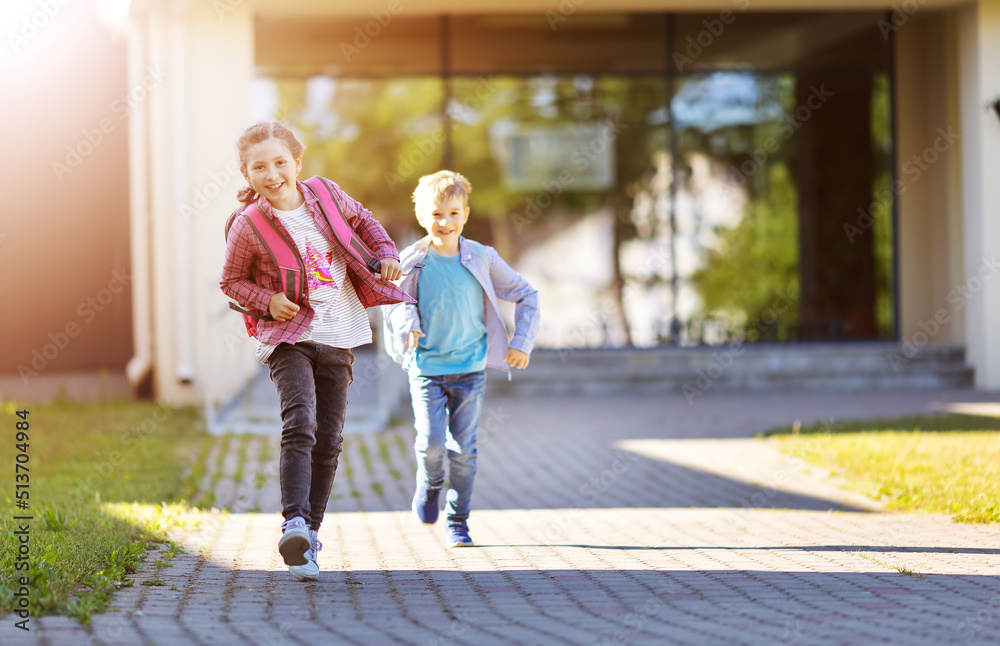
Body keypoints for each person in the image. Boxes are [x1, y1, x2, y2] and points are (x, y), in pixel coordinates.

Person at [220, 121, 413, 580]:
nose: (272, 173)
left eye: (280, 162)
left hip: (340, 333)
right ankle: (294, 520)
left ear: (298, 163)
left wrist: (385, 251)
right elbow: (231, 281)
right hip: (288, 337)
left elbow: (364, 220)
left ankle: (306, 540)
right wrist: (267, 301)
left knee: (329, 439)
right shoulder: (249, 225)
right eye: (259, 167)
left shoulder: (325, 194)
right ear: (246, 174)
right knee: (300, 420)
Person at [383, 170, 539, 547]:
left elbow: (526, 294)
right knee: (432, 443)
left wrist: (521, 343)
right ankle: (430, 482)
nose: (445, 222)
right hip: (426, 369)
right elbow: (393, 302)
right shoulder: (413, 260)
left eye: (453, 213)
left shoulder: (482, 258)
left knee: (464, 450)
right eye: (436, 214)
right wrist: (409, 324)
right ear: (422, 216)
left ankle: (458, 522)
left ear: (465, 214)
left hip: (470, 369)